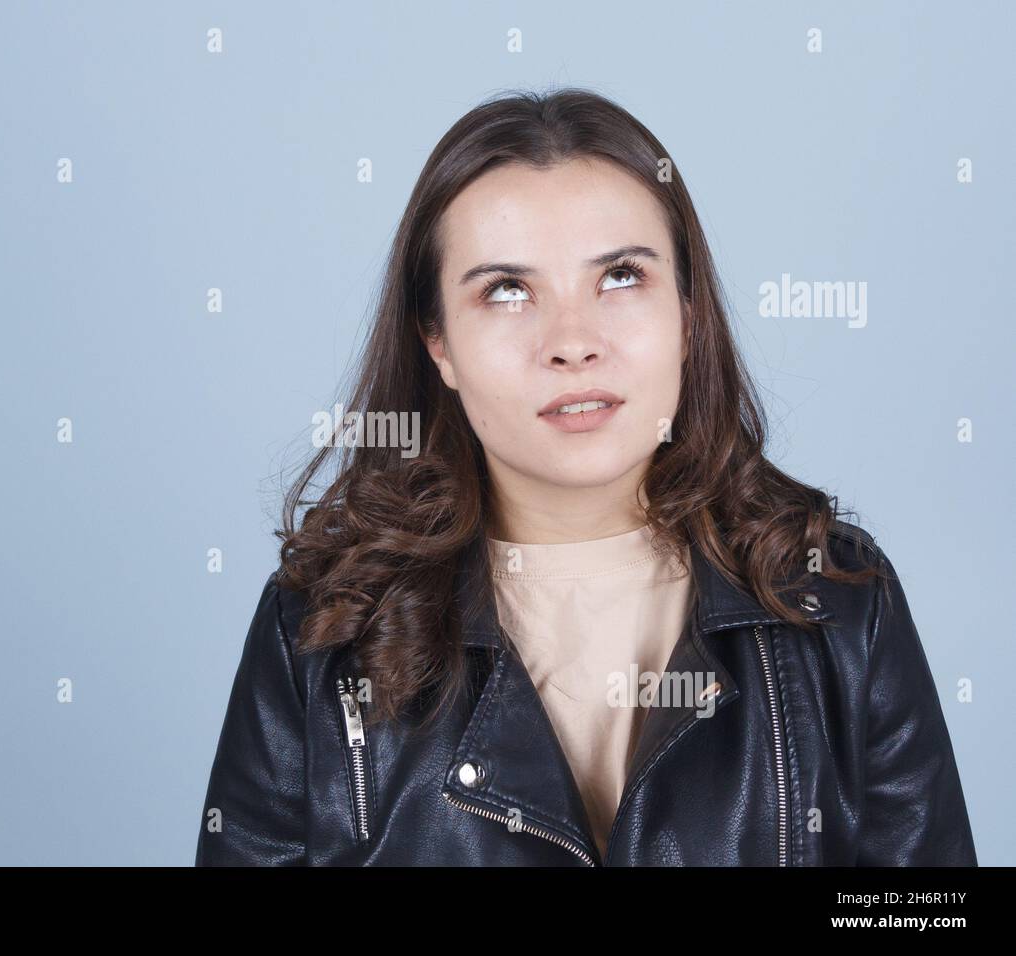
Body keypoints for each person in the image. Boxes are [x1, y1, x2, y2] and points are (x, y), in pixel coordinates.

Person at [194, 88, 978, 866]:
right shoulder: (322, 627)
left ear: (689, 315)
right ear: (439, 345)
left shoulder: (837, 599)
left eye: (621, 277)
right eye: (507, 290)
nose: (572, 342)